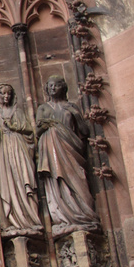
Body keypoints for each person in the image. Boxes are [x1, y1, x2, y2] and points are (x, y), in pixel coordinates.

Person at [36, 75, 99, 231]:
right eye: (50, 85)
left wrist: (76, 114)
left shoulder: (71, 107)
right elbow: (37, 131)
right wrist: (49, 125)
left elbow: (84, 131)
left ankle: (83, 214)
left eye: (56, 85)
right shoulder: (43, 108)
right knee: (59, 180)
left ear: (63, 87)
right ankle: (64, 216)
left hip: (71, 149)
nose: (52, 88)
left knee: (78, 180)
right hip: (53, 148)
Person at [0, 84, 42, 233]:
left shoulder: (17, 112)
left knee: (24, 179)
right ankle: (12, 219)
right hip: (3, 151)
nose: (6, 97)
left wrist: (15, 128)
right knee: (8, 181)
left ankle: (29, 219)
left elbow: (29, 132)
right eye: (2, 94)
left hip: (19, 148)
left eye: (8, 94)